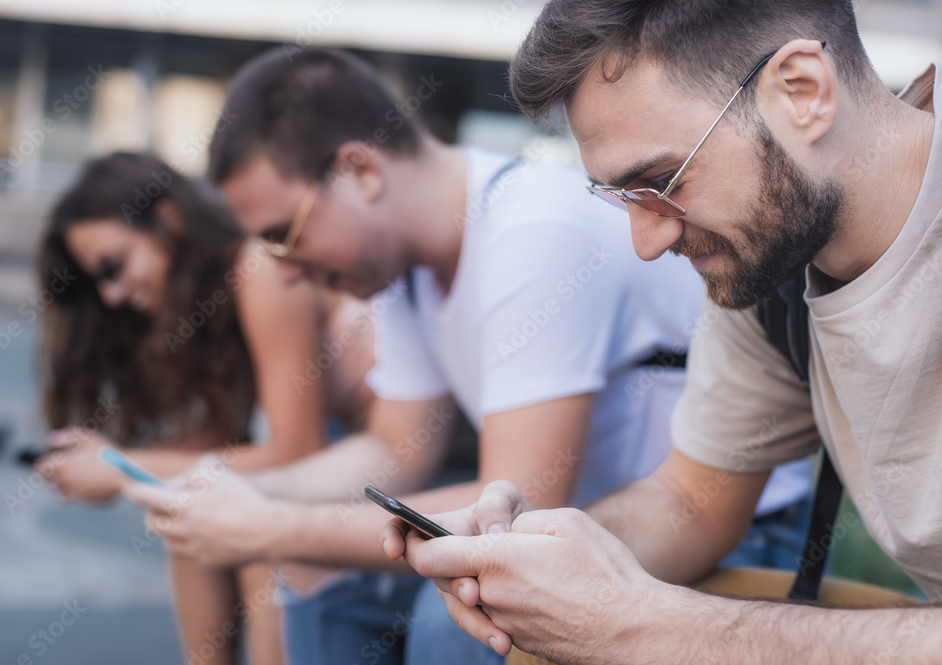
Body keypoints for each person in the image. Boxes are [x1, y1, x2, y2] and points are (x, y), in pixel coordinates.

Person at [123, 47, 813, 665]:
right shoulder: (406, 268)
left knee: (454, 618)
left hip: (730, 534)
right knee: (321, 579)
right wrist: (235, 490)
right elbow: (393, 451)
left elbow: (520, 501)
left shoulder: (532, 232)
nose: (283, 269)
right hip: (590, 523)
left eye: (282, 234)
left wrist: (269, 524)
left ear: (358, 170)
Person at [386, 0, 942, 662]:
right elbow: (692, 503)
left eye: (661, 181)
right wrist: (529, 546)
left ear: (802, 93)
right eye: (623, 197)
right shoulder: (774, 273)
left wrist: (648, 627)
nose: (646, 242)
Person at [36, 152, 376, 665]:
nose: (110, 296)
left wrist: (120, 467)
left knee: (252, 528)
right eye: (97, 281)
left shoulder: (260, 268)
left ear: (168, 221)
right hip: (355, 467)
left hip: (414, 471)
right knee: (195, 505)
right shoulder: (216, 299)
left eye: (114, 266)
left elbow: (296, 453)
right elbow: (226, 449)